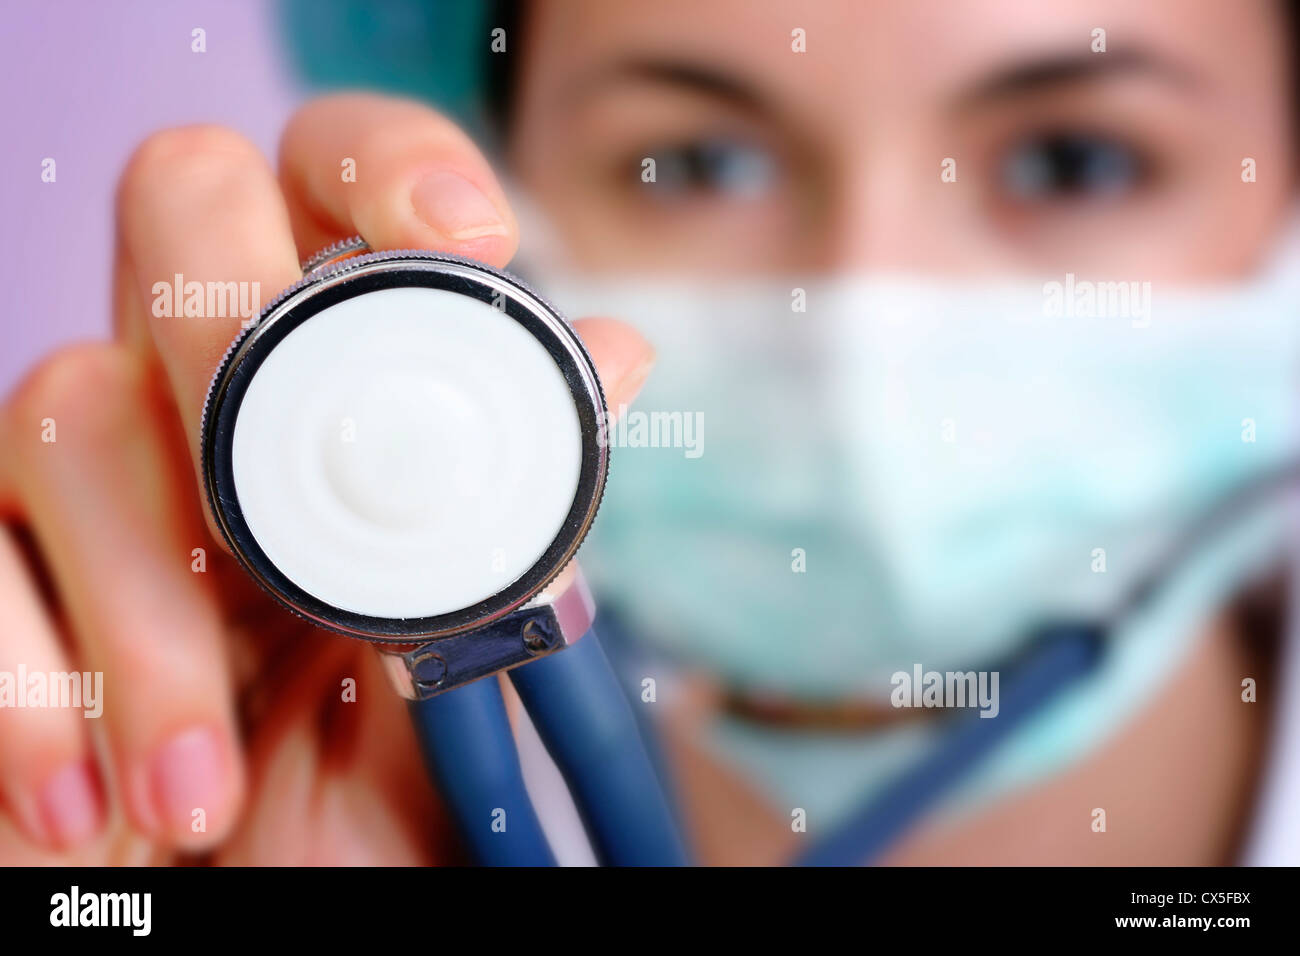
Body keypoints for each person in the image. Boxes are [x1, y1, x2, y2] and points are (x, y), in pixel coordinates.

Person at [0, 0, 1296, 865]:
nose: (854, 339)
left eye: (1076, 160)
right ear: (499, 198)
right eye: (693, 165)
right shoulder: (333, 774)